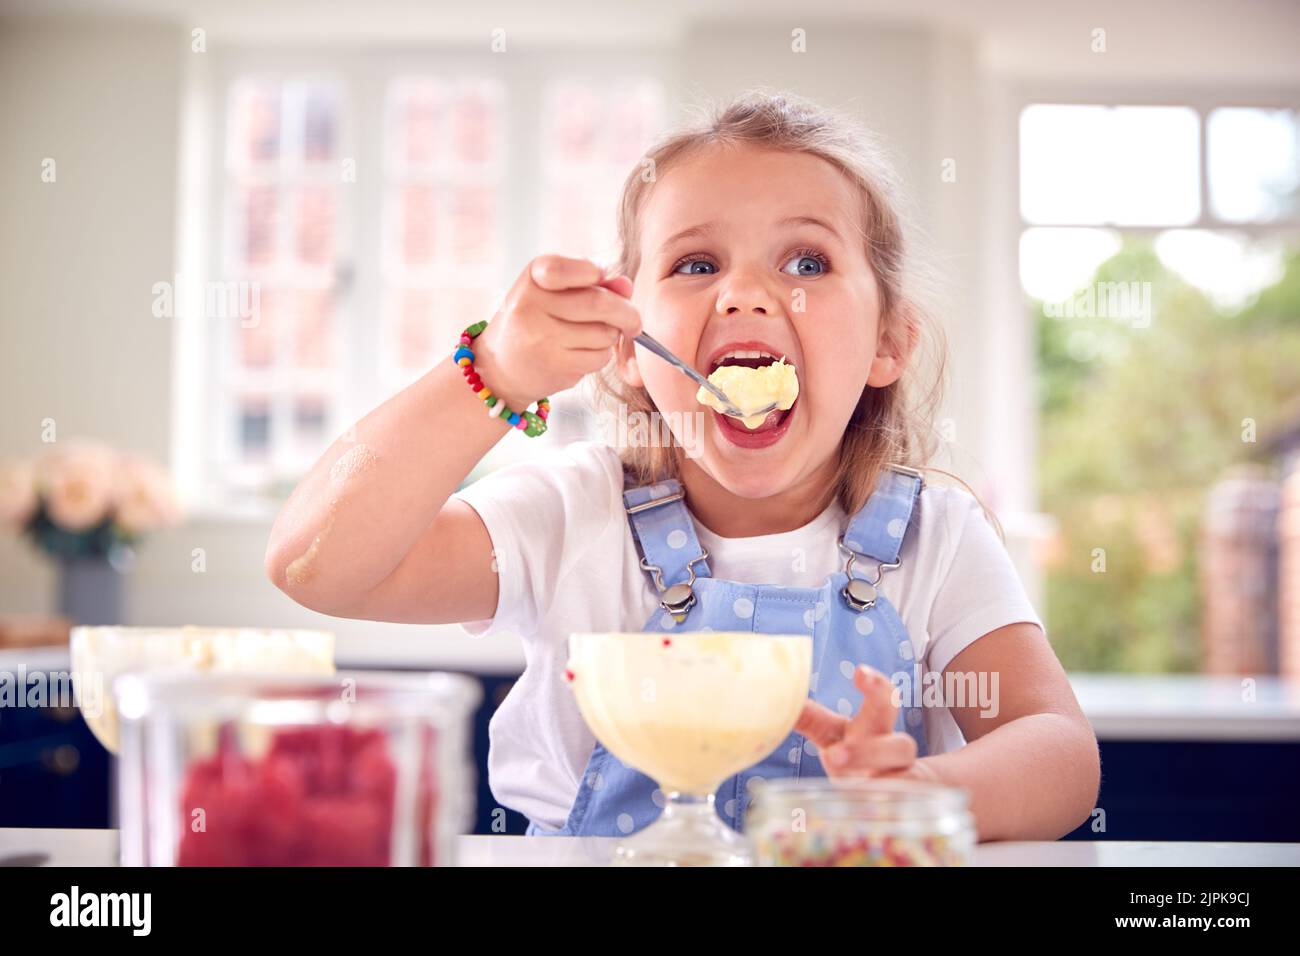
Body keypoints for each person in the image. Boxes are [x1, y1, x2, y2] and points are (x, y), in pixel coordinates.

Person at [266, 89, 1100, 842]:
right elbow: (320, 567)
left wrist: (921, 789)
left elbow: (1060, 755)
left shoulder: (936, 540)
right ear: (630, 349)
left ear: (889, 342)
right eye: (696, 265)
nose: (744, 293)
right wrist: (490, 373)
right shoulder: (570, 514)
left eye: (806, 262)